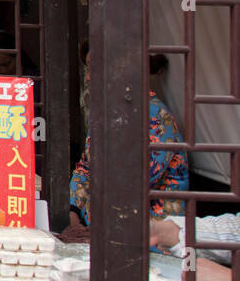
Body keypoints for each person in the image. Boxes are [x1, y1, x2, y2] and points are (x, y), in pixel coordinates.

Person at [70, 46, 189, 228]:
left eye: (94, 69)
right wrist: (73, 210)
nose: (87, 78)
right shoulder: (104, 114)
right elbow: (86, 167)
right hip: (105, 227)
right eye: (88, 69)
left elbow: (132, 183)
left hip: (151, 234)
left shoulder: (155, 116)